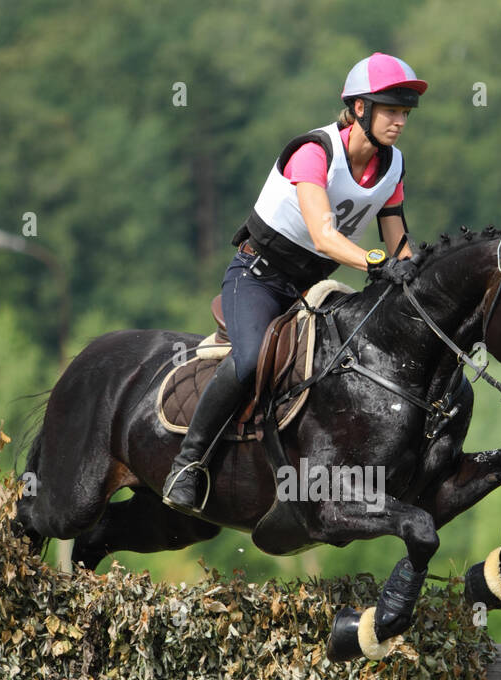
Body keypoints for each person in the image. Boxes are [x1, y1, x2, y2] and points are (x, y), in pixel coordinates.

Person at [163, 52, 427, 514]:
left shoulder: (393, 167)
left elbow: (397, 242)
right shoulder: (314, 152)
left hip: (310, 293)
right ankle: (188, 463)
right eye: (391, 110)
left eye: (405, 112)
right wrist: (375, 263)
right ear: (360, 109)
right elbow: (325, 235)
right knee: (251, 360)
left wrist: (415, 277)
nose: (400, 121)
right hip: (258, 278)